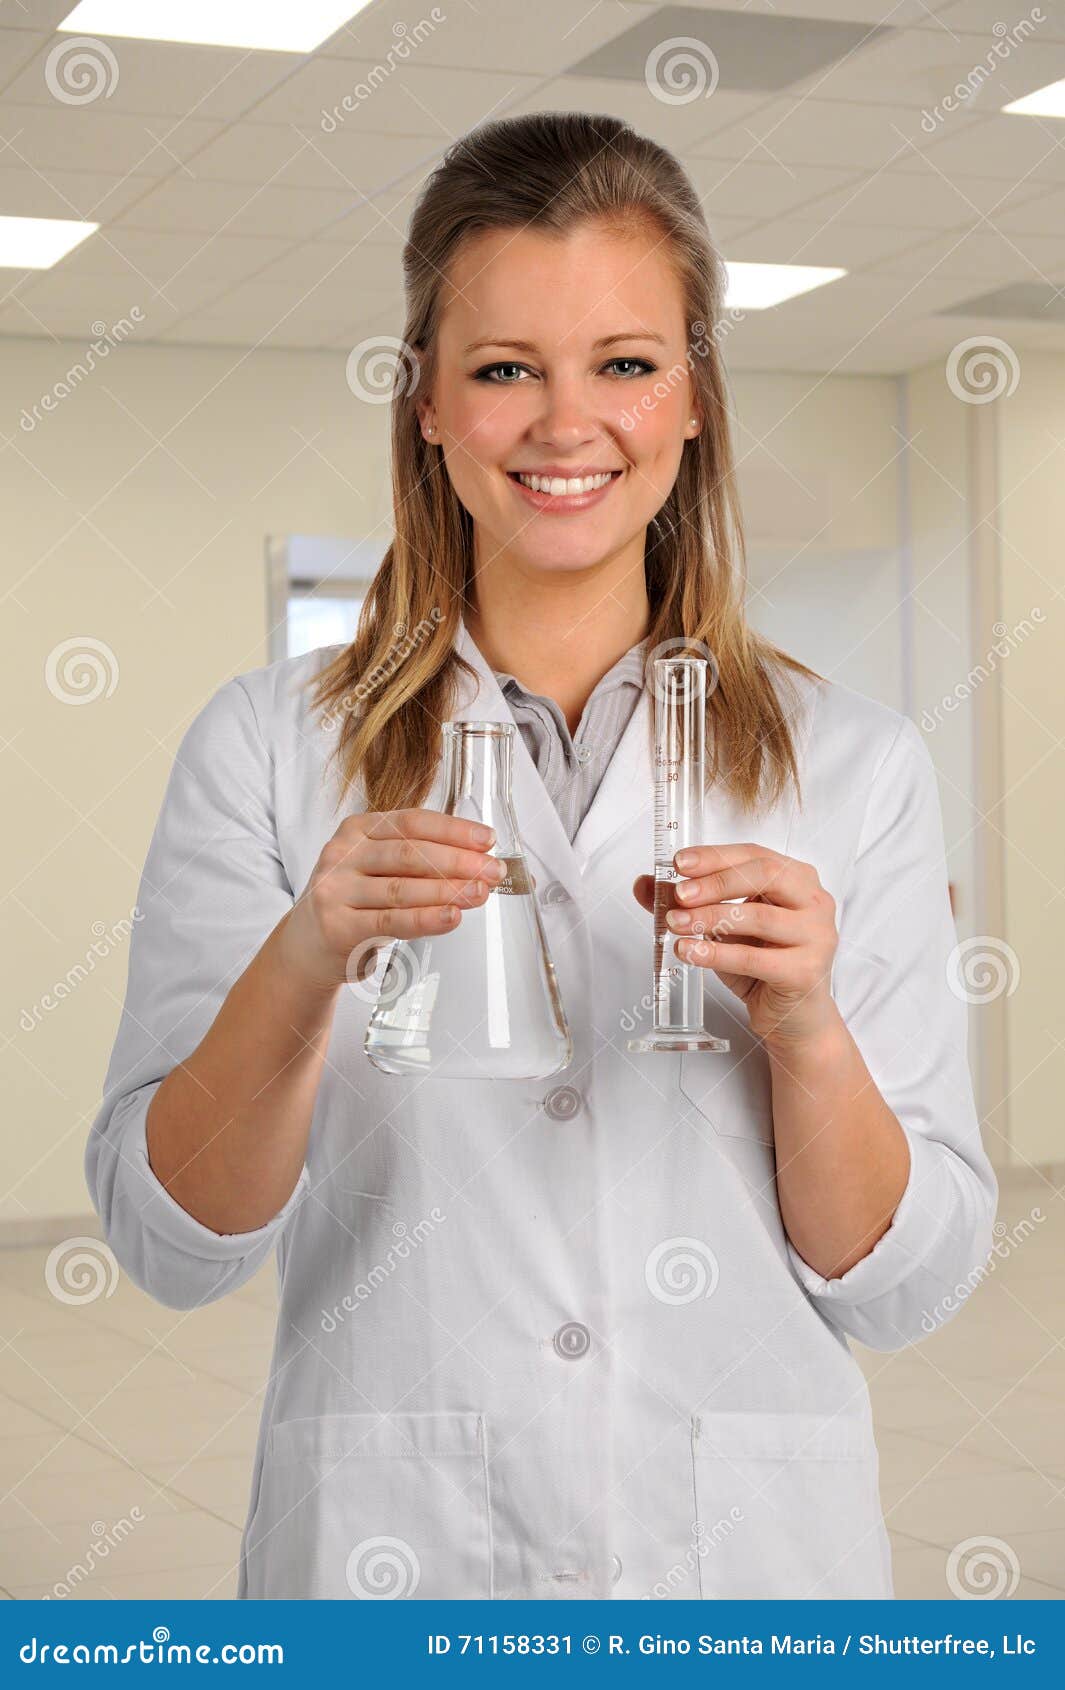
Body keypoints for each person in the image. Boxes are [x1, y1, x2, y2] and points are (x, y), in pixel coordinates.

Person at [87, 112, 997, 1601]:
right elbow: (174, 1243)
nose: (565, 425)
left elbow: (905, 1285)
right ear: (427, 407)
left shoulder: (856, 762)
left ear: (694, 395)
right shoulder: (263, 745)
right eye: (503, 368)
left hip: (743, 1565)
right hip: (394, 1553)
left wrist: (806, 1035)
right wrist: (310, 953)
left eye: (625, 364)